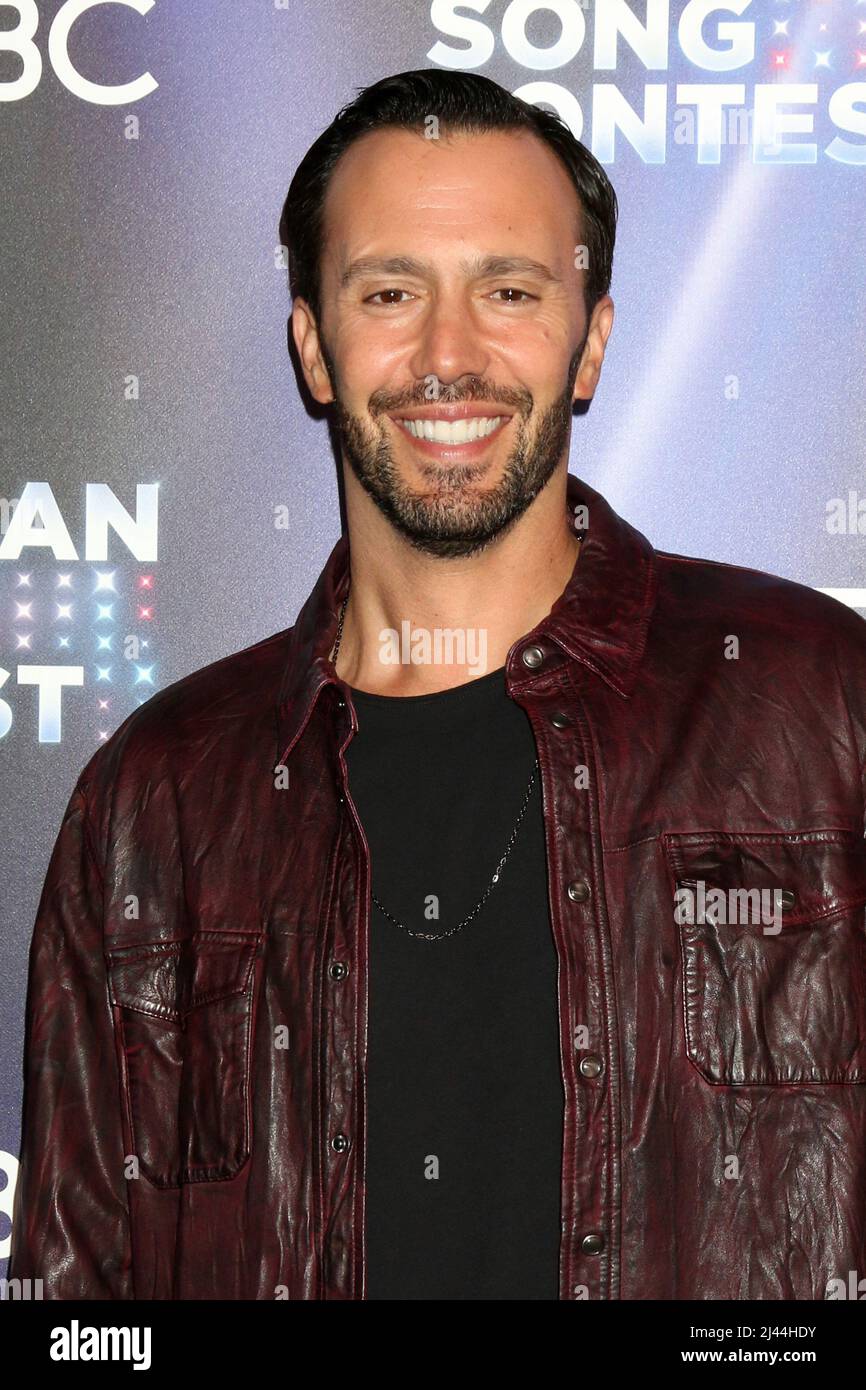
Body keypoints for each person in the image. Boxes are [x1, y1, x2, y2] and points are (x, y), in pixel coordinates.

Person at [9, 68, 866, 1301]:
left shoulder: (819, 707)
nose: (446, 355)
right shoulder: (158, 797)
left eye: (508, 291)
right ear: (313, 344)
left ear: (590, 341)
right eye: (389, 291)